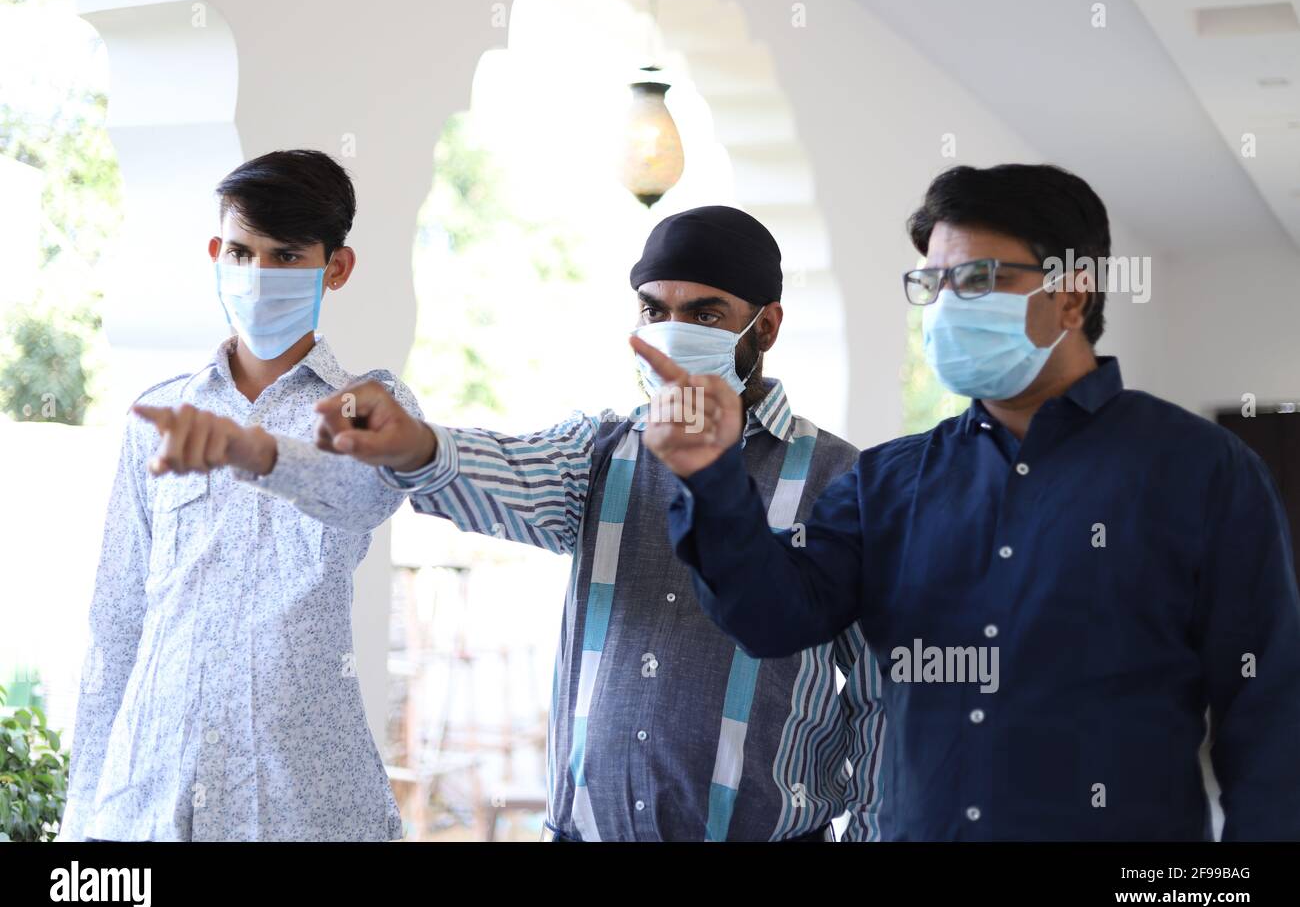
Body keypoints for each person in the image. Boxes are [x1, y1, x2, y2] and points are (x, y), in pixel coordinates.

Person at [638, 165, 1300, 840]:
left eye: (980, 279)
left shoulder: (1197, 470)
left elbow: (1272, 713)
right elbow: (775, 619)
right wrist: (713, 477)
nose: (949, 303)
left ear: (1071, 298)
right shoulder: (891, 480)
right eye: (935, 282)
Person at [265, 205, 885, 841]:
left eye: (705, 314)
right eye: (654, 310)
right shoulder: (600, 453)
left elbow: (881, 702)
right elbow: (507, 468)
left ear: (767, 325)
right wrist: (416, 446)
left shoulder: (844, 483)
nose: (673, 332)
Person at [59, 149, 418, 841]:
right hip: (152, 790)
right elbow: (117, 616)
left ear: (335, 268)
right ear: (218, 253)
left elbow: (361, 496)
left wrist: (259, 454)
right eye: (243, 253)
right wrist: (82, 823)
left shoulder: (367, 409)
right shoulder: (157, 416)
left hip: (304, 798)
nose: (259, 276)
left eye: (286, 256)